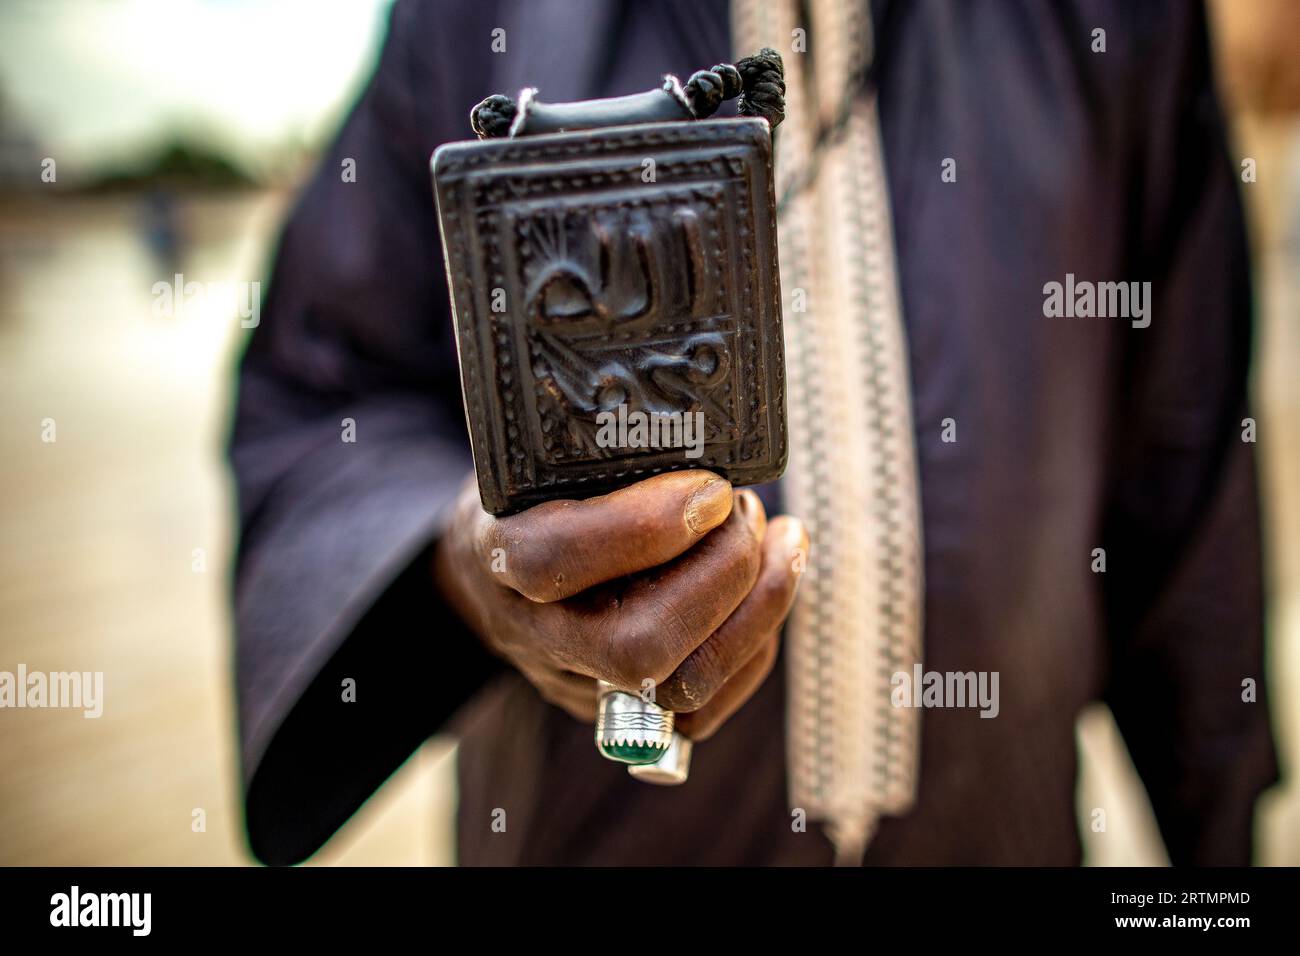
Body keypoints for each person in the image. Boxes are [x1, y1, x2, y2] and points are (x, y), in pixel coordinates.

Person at [229, 0, 1278, 865]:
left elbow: (1188, 475)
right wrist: (475, 564)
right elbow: (319, 405)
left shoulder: (1119, 23)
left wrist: (1218, 842)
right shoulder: (475, 18)